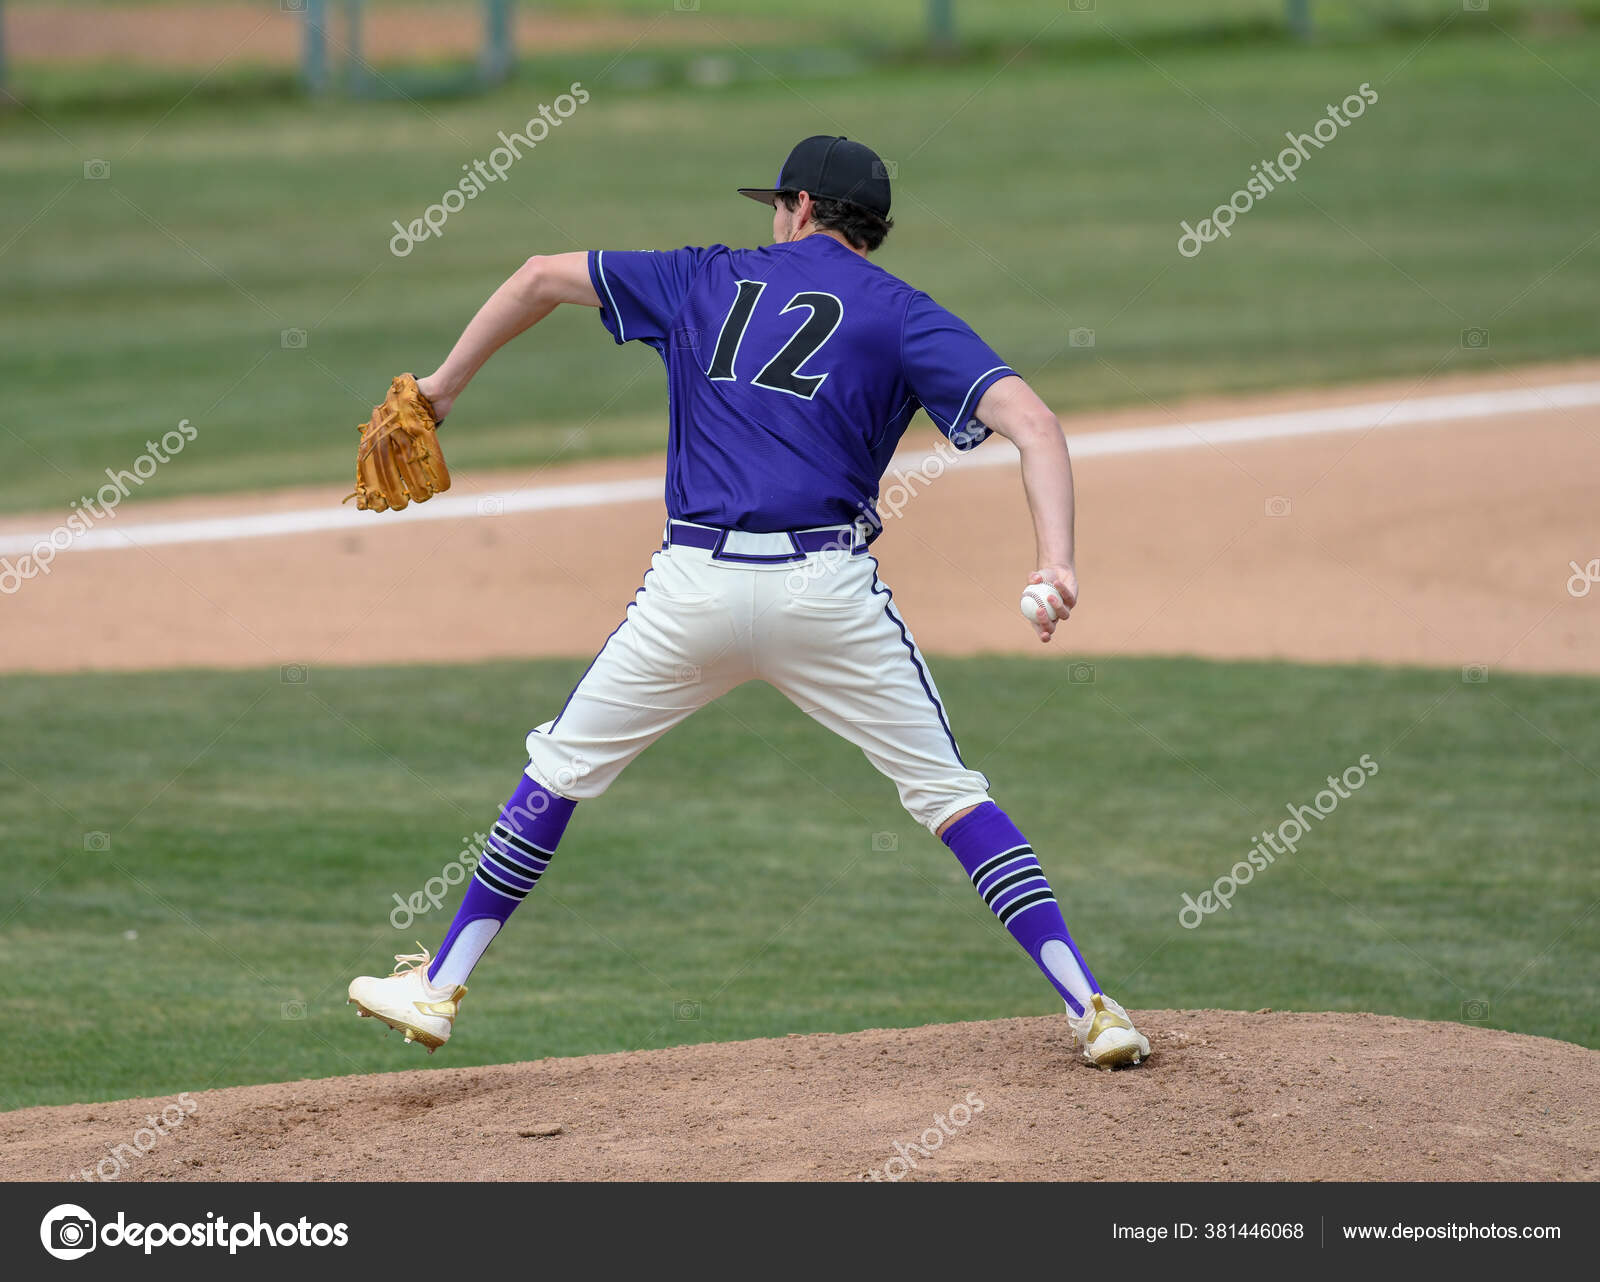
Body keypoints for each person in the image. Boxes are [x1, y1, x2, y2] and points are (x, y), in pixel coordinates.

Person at [348, 135, 1150, 1070]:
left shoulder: (702, 277)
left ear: (802, 207)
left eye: (777, 204)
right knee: (950, 797)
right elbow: (1035, 425)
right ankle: (1091, 1007)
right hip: (827, 596)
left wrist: (441, 392)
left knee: (559, 772)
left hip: (693, 590)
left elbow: (535, 277)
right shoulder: (903, 314)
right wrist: (1056, 564)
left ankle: (439, 986)